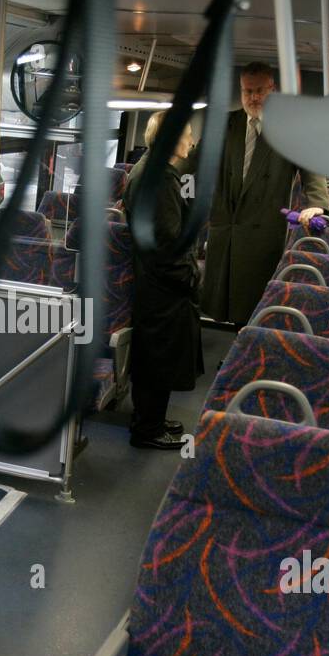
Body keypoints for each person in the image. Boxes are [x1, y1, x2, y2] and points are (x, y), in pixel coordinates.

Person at [199, 61, 329, 326]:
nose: (254, 97)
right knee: (220, 306)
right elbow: (195, 158)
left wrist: (317, 204)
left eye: (260, 91)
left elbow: (313, 169)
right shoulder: (225, 123)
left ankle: (250, 345)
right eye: (248, 91)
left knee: (255, 309)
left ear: (273, 89)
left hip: (263, 230)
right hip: (226, 228)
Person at [122, 111, 205, 450]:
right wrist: (191, 278)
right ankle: (148, 430)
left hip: (153, 282)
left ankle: (150, 419)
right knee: (159, 360)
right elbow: (168, 244)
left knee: (155, 358)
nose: (191, 142)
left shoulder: (150, 170)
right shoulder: (159, 180)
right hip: (163, 287)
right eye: (187, 135)